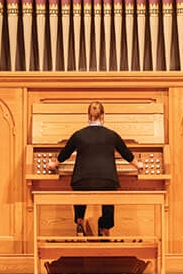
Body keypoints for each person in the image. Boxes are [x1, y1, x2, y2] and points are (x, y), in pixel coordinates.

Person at [57, 100, 134, 237]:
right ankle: (105, 226)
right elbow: (126, 154)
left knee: (80, 190)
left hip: (82, 178)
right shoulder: (112, 135)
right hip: (107, 179)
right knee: (109, 194)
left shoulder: (78, 134)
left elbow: (65, 154)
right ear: (103, 116)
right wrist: (138, 165)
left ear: (88, 116)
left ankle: (80, 221)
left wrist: (54, 163)